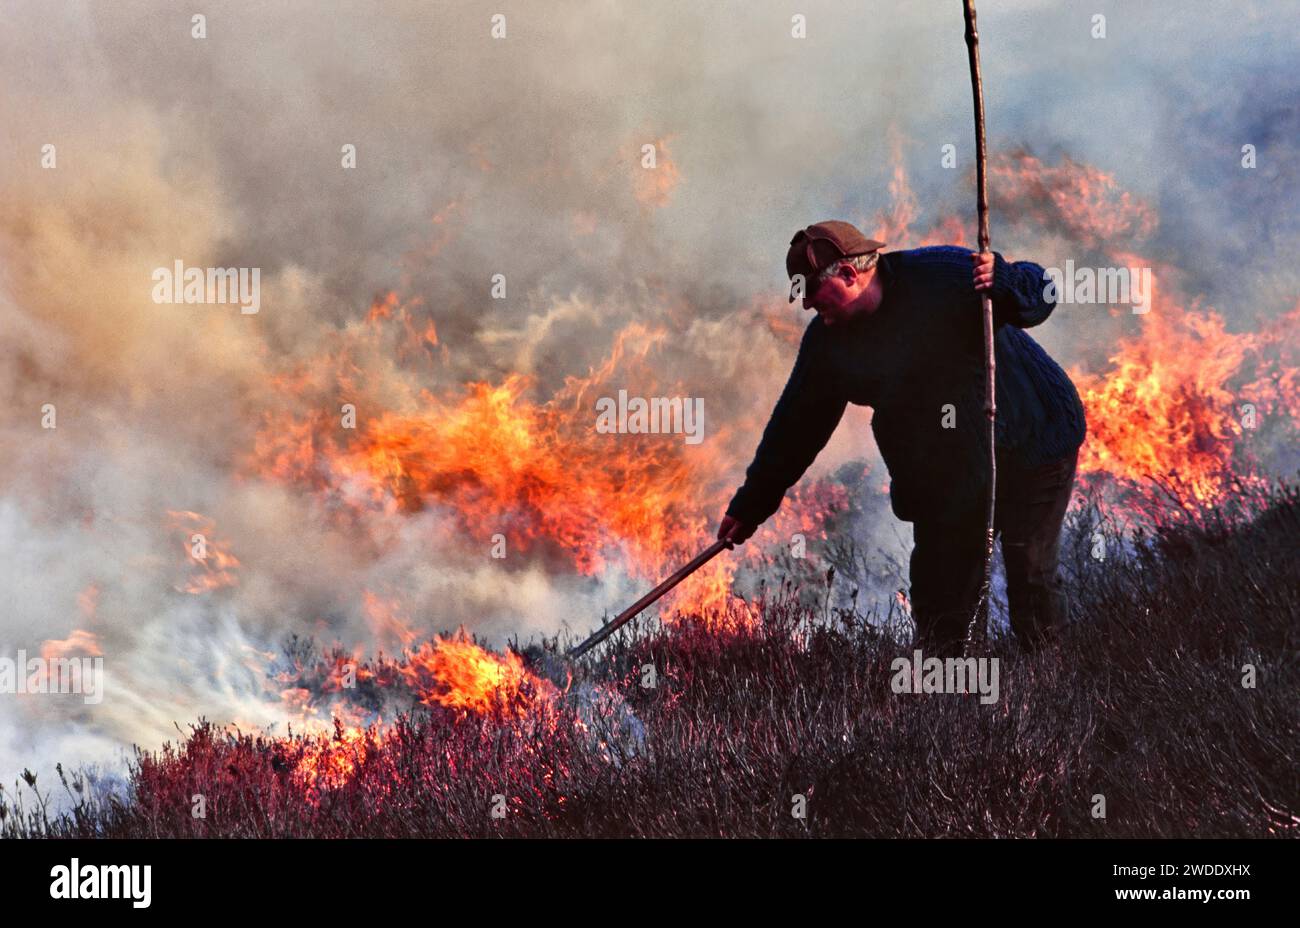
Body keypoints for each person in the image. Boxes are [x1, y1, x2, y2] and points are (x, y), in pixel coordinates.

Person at [717, 221, 1086, 654]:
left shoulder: (944, 275)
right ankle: (950, 703)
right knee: (942, 594)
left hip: (1032, 443)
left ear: (848, 275)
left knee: (1031, 575)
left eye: (814, 296)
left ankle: (1051, 689)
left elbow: (1041, 292)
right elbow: (795, 428)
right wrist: (751, 505)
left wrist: (1005, 280)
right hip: (945, 475)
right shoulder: (828, 345)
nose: (809, 308)